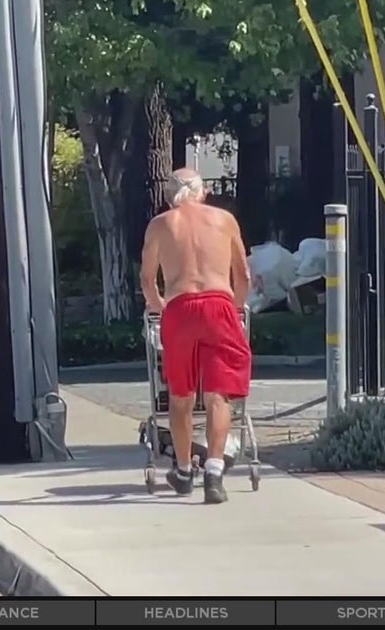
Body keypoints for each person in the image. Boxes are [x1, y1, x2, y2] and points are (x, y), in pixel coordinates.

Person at [140, 168, 252, 504]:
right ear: (203, 192)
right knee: (219, 395)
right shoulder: (224, 219)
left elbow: (147, 281)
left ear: (168, 196)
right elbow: (242, 274)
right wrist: (235, 308)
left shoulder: (160, 225)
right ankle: (215, 471)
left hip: (179, 308)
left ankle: (185, 468)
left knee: (180, 396)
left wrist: (162, 307)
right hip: (219, 305)